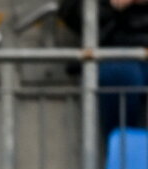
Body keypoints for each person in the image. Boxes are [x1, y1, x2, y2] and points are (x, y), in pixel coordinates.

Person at [60, 0, 148, 139]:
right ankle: (122, 147)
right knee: (119, 74)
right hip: (114, 51)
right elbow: (70, 11)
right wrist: (110, 4)